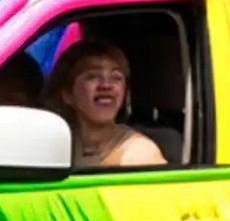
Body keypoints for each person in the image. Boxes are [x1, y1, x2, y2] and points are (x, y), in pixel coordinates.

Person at [43, 39, 165, 169]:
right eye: (93, 76)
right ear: (67, 94)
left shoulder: (139, 154)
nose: (106, 85)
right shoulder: (54, 148)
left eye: (116, 77)